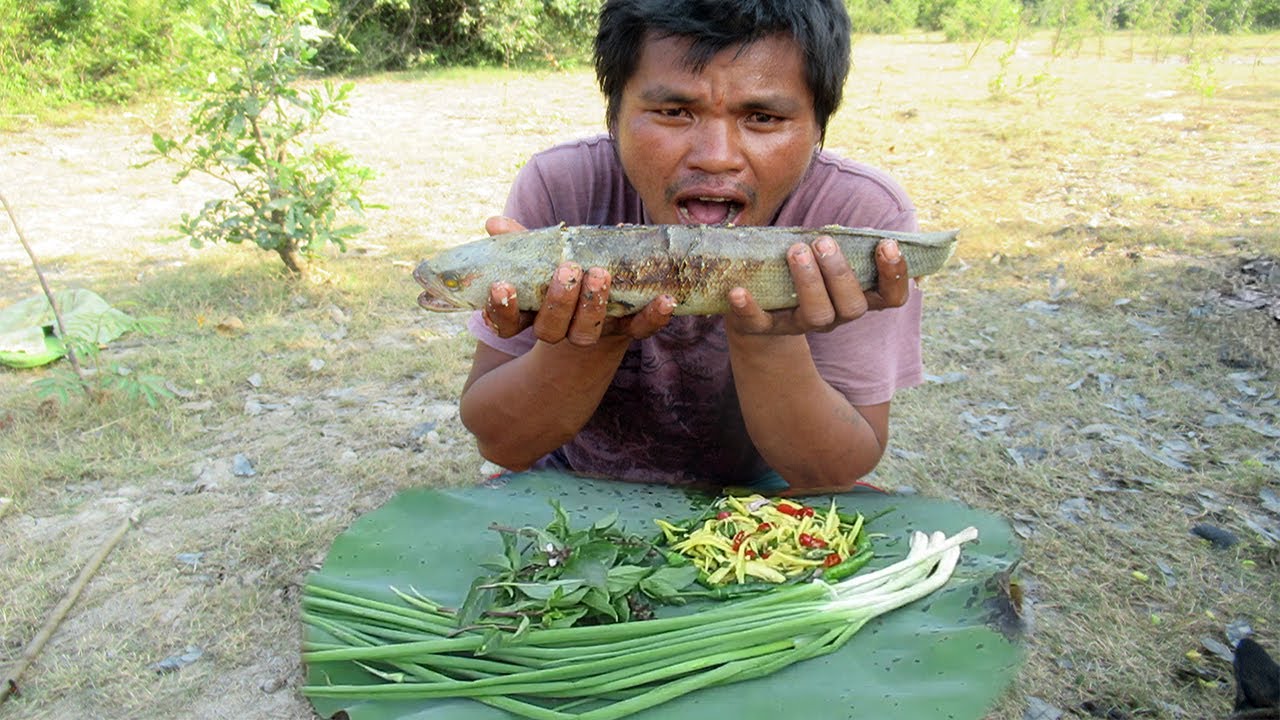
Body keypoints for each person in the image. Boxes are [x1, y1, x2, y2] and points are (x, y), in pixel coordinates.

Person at [457, 0, 924, 494]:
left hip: (764, 492)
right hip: (576, 477)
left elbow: (831, 472)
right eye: (675, 112)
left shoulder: (857, 221)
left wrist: (770, 339)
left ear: (817, 131)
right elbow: (503, 445)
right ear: (614, 117)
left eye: (763, 117)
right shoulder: (562, 189)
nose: (716, 158)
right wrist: (598, 334)